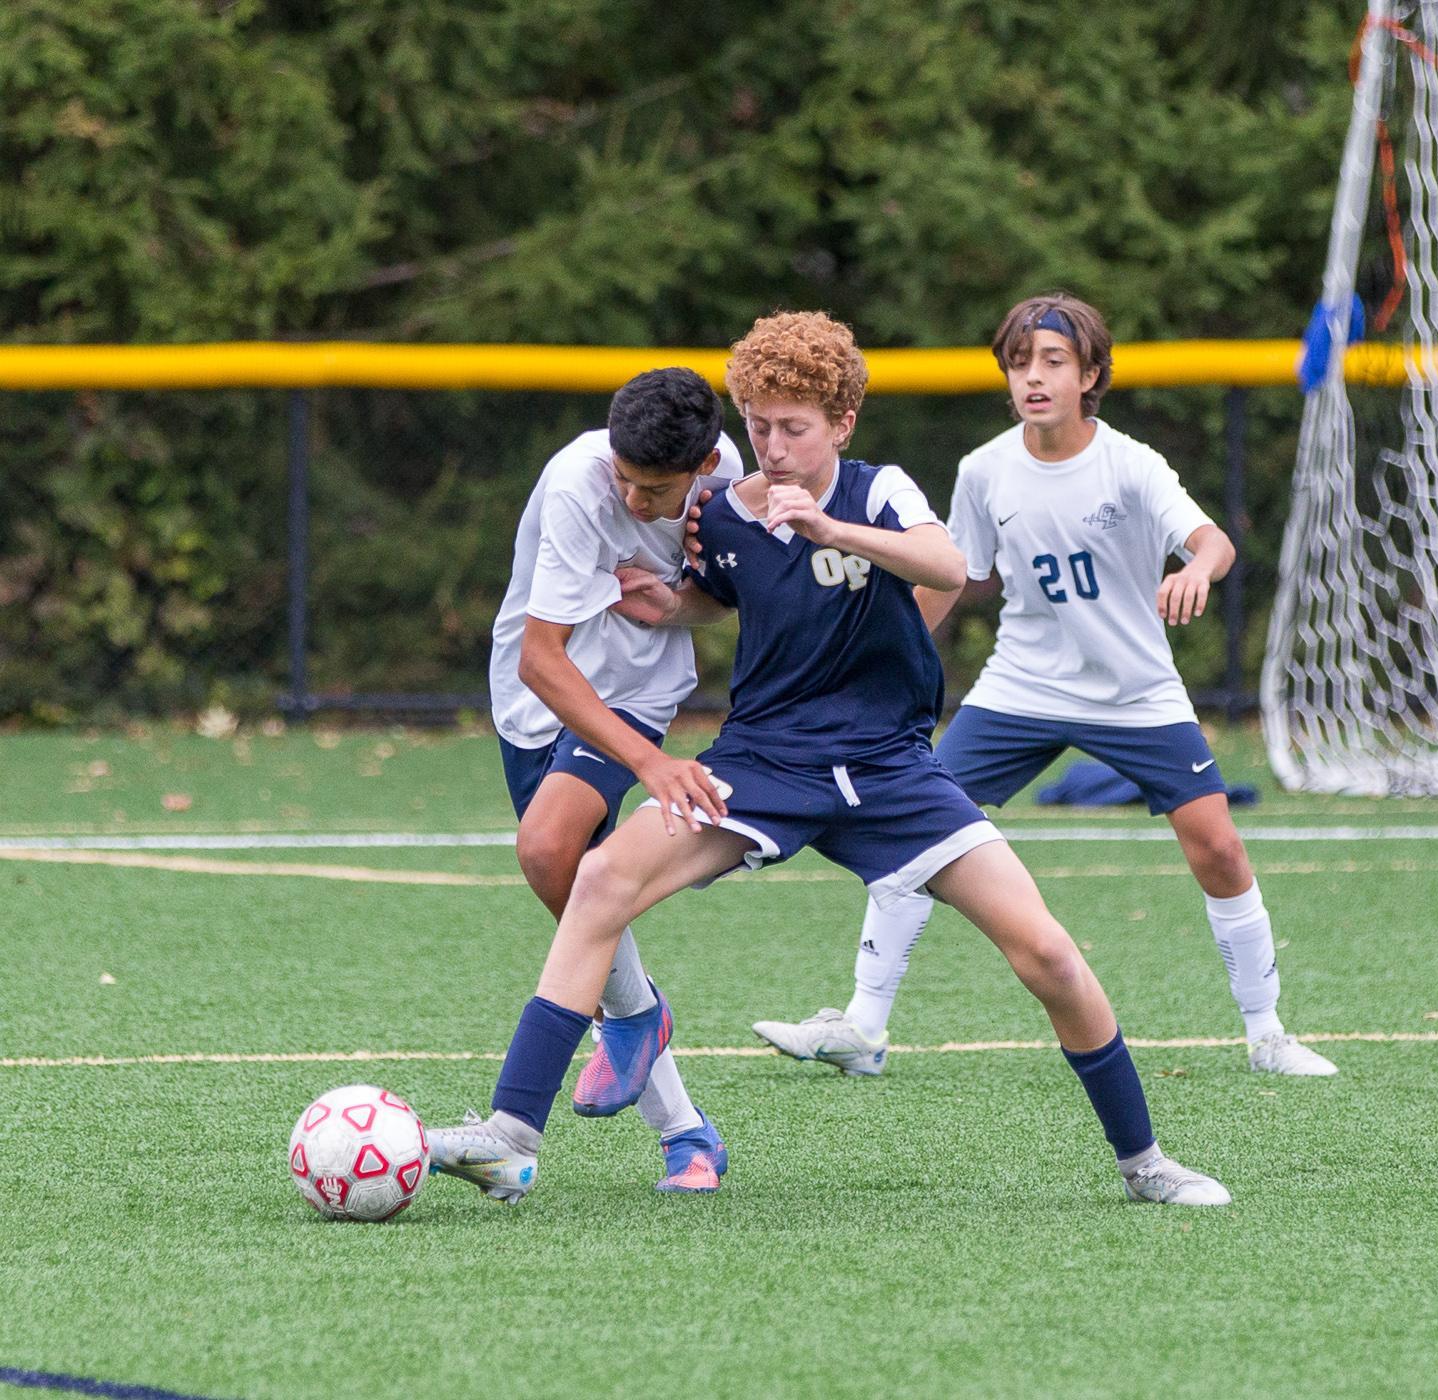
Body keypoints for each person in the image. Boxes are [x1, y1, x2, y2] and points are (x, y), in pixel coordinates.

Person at [433, 310, 1230, 1207]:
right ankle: (509, 1135)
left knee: (1045, 950)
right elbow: (721, 593)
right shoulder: (721, 511)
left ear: (842, 424)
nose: (772, 447)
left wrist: (832, 531)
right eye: (759, 425)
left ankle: (1145, 1162)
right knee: (599, 879)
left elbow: (946, 564)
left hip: (892, 770)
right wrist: (675, 604)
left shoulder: (876, 490)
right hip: (766, 763)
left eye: (794, 428)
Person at [750, 293, 1338, 1080]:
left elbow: (1213, 542)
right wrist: (879, 662)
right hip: (1019, 689)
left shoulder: (1129, 464)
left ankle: (1268, 1034)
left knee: (1220, 848)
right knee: (914, 832)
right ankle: (863, 1027)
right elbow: (952, 577)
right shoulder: (985, 470)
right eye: (1021, 363)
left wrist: (1195, 568)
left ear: (1089, 374)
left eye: (1053, 362)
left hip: (1136, 692)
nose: (1034, 377)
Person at [427, 367, 742, 1199]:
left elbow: (722, 601)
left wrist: (676, 608)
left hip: (634, 691)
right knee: (580, 894)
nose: (636, 503)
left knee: (547, 849)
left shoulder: (732, 480)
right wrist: (652, 766)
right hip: (539, 697)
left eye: (657, 491)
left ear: (706, 464)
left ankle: (521, 1131)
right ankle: (683, 1125)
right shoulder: (579, 481)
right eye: (626, 482)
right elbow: (541, 658)